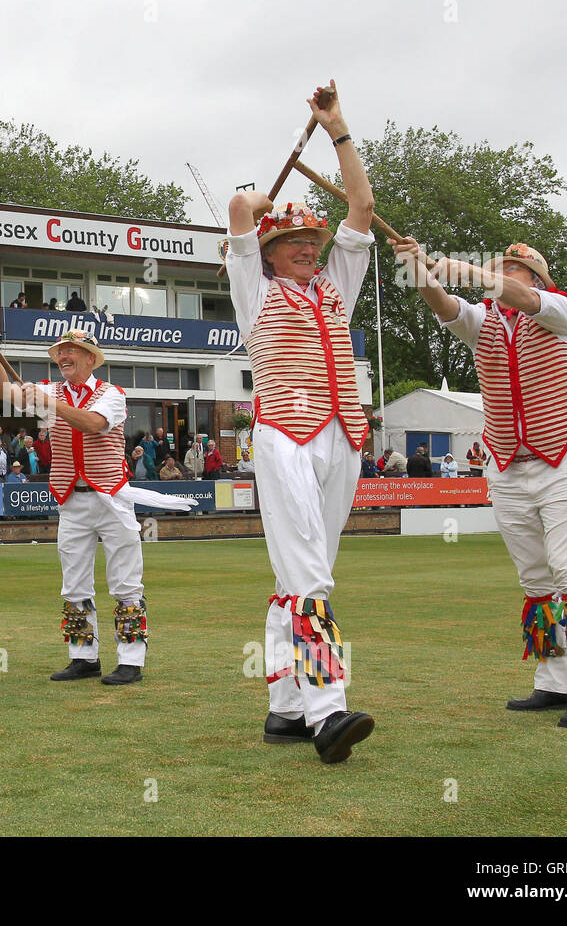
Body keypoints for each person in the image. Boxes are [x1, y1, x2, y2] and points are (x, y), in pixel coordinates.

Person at [396, 237, 567, 727]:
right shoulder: (486, 322)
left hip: (563, 458)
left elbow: (521, 300)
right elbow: (443, 305)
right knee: (536, 579)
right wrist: (418, 268)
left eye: (511, 270)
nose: (501, 278)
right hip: (508, 464)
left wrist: (468, 270)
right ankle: (553, 680)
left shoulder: (557, 311)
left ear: (536, 279)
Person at [226, 79, 377, 763]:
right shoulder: (253, 290)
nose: (307, 247)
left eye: (310, 238)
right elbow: (237, 208)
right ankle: (327, 710)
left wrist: (337, 127)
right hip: (284, 436)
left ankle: (284, 707)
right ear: (267, 253)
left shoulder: (334, 289)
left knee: (299, 577)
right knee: (311, 576)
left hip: (343, 436)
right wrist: (254, 205)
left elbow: (362, 206)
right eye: (291, 240)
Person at [0, 327, 194, 686]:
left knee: (126, 581)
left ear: (91, 358)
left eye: (72, 351)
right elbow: (5, 392)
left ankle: (131, 659)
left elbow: (93, 424)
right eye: (61, 352)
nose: (64, 357)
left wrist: (48, 403)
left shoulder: (111, 394)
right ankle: (83, 657)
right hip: (73, 499)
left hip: (111, 497)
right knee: (74, 583)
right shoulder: (51, 391)